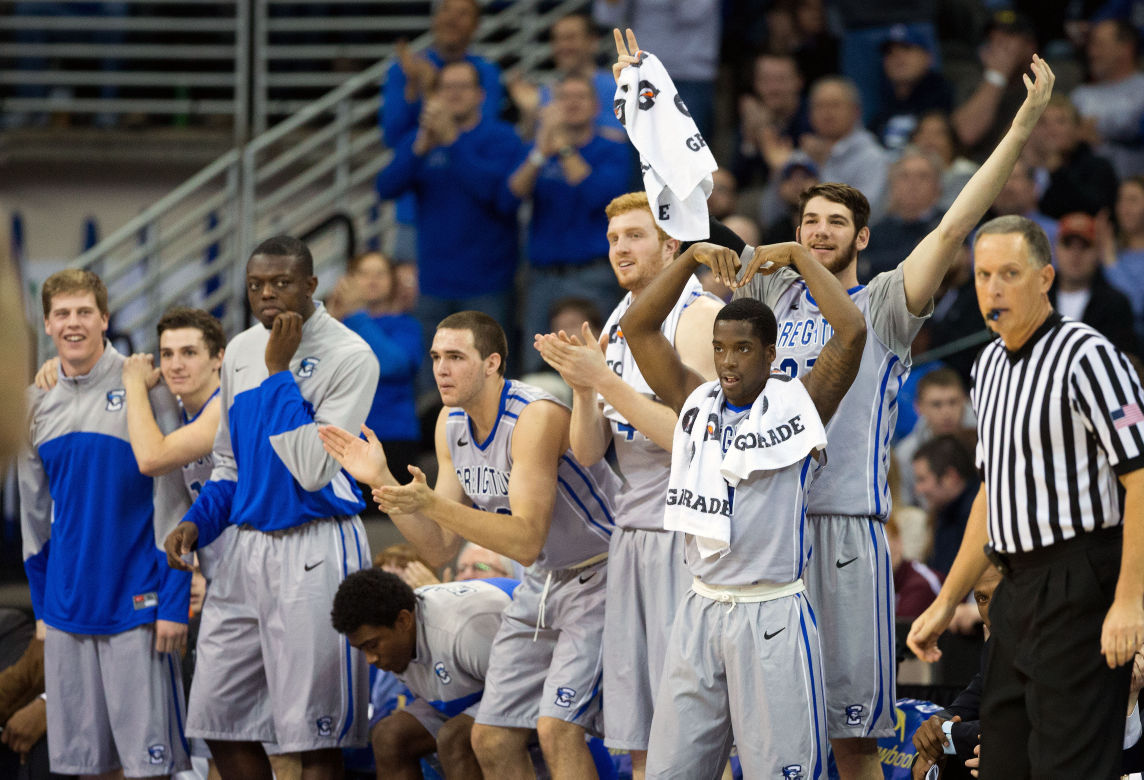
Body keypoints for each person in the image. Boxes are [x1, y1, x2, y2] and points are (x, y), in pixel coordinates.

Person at [728, 54, 1054, 780]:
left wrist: (1024, 122)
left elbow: (958, 221)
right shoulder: (765, 303)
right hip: (763, 534)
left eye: (835, 222)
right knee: (750, 741)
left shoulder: (882, 304)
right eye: (808, 220)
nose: (817, 232)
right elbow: (692, 234)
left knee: (854, 744)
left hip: (846, 527)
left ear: (862, 237)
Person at [317, 310, 619, 779]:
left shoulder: (534, 417)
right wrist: (382, 480)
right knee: (490, 736)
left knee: (558, 726)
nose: (441, 368)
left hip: (603, 571)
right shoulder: (449, 423)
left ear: (492, 363)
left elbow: (523, 540)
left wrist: (430, 504)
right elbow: (439, 548)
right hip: (545, 579)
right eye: (436, 357)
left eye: (456, 357)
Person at [906, 215, 1144, 778]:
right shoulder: (987, 366)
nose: (992, 287)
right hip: (1015, 588)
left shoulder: (1089, 355)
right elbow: (992, 495)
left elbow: (1141, 475)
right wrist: (947, 601)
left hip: (1082, 577)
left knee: (1067, 764)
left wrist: (1130, 599)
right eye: (984, 273)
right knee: (1003, 762)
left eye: (1009, 273)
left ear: (1044, 278)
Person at [619, 239, 866, 778]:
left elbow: (852, 331)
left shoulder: (803, 403)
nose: (727, 362)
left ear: (770, 354)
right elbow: (637, 327)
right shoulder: (695, 401)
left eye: (743, 349)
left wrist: (802, 256)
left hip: (771, 611)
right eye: (720, 347)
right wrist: (686, 261)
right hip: (701, 605)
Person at [163, 236, 380, 780]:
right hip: (244, 548)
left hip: (317, 543)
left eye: (281, 283)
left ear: (310, 285)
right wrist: (197, 521)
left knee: (315, 737)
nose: (267, 295)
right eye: (256, 284)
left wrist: (279, 370)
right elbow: (229, 465)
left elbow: (312, 467)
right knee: (218, 717)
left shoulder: (352, 356)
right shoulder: (238, 350)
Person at [533, 190, 721, 778]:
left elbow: (698, 437)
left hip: (685, 535)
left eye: (635, 236)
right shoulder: (617, 318)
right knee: (637, 730)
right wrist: (584, 389)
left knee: (690, 725)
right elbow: (589, 452)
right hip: (631, 534)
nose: (621, 248)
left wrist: (606, 385)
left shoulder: (698, 316)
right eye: (614, 238)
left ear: (671, 245)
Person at [19, 269, 192, 778]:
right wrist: (44, 608)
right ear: (48, 325)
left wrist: (174, 602)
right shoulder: (36, 402)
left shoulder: (145, 387)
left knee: (149, 767)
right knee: (84, 766)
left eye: (84, 312)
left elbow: (174, 507)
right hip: (68, 610)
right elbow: (34, 523)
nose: (74, 324)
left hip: (138, 605)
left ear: (105, 318)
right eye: (63, 314)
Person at [375, 60, 523, 389]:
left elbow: (499, 197)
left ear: (481, 95)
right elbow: (385, 188)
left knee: (489, 379)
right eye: (446, 87)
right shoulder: (422, 139)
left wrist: (453, 142)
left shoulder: (501, 138)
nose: (453, 94)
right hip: (433, 284)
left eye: (462, 87)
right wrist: (419, 149)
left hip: (488, 283)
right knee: (436, 384)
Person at [331, 568, 516, 780]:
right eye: (361, 649)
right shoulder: (402, 632)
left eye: (372, 645)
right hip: (483, 683)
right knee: (390, 737)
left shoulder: (465, 631)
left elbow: (523, 689)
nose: (370, 659)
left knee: (455, 738)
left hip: (538, 675)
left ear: (403, 621)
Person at [509, 72, 630, 373]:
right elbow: (510, 197)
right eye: (564, 98)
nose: (572, 104)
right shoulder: (540, 150)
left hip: (592, 274)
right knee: (536, 367)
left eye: (580, 97)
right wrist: (539, 152)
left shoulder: (612, 149)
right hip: (541, 277)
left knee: (596, 366)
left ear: (594, 106)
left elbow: (600, 202)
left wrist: (563, 148)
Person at [379, 0, 502, 265]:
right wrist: (415, 86)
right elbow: (393, 136)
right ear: (434, 19)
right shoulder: (405, 70)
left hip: (473, 213)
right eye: (445, 10)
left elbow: (480, 131)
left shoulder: (486, 72)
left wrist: (430, 89)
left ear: (476, 25)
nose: (452, 19)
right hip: (415, 214)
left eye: (462, 13)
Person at [326, 251, 423, 485]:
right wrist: (331, 316)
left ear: (392, 281)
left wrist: (357, 316)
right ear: (350, 280)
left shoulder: (407, 326)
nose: (372, 280)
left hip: (393, 439)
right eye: (364, 274)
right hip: (344, 438)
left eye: (380, 274)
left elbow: (393, 365)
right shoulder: (337, 325)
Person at [910, 566, 1001, 780]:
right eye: (982, 598)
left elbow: (1025, 723)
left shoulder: (1053, 642)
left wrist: (947, 735)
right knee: (930, 759)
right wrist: (938, 723)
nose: (992, 611)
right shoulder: (996, 644)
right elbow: (973, 697)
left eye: (1001, 595)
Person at [507, 13, 624, 141]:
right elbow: (532, 145)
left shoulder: (617, 87)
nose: (563, 46)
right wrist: (528, 113)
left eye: (570, 38)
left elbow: (620, 140)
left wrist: (562, 124)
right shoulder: (545, 91)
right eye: (557, 39)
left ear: (593, 42)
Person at [1050, 212, 1140, 358]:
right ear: (1055, 249)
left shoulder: (1116, 305)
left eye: (1085, 245)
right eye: (1068, 244)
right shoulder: (1034, 300)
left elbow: (1126, 362)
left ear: (1098, 252)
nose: (1075, 253)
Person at [802, 76, 891, 216]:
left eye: (835, 105)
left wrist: (821, 167)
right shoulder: (804, 153)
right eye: (820, 106)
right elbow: (769, 215)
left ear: (856, 111)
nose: (827, 113)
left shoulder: (872, 157)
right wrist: (779, 171)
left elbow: (864, 213)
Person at [1070, 19, 1144, 177]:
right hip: (1086, 186)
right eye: (1091, 45)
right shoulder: (1080, 95)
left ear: (1125, 48)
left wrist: (1092, 131)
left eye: (1099, 45)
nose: (1092, 53)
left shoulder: (1141, 90)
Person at [860, 147, 944, 281]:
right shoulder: (876, 230)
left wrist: (875, 264)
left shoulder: (945, 225)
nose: (913, 184)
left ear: (938, 187)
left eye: (923, 176)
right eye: (904, 176)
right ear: (892, 185)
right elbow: (861, 268)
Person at [895, 367, 975, 506]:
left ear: (965, 400)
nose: (946, 412)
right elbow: (905, 507)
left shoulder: (987, 437)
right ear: (918, 407)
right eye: (936, 404)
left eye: (953, 402)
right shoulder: (906, 454)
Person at [872, 25, 954, 151]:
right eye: (889, 52)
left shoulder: (947, 94)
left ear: (928, 57)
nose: (898, 56)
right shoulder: (882, 103)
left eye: (906, 48)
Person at [911, 434, 980, 575]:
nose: (918, 489)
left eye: (922, 479)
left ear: (950, 477)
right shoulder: (945, 512)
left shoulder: (976, 515)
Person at [1104, 176, 1144, 345]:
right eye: (1121, 200)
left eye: (1133, 200)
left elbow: (1135, 305)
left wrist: (1109, 261)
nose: (1124, 208)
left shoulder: (1109, 256)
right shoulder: (1113, 251)